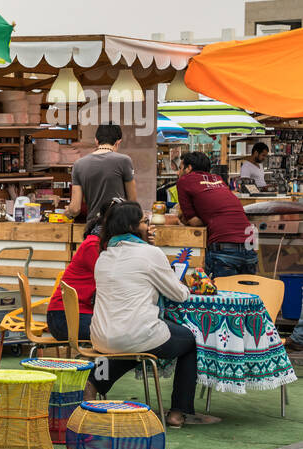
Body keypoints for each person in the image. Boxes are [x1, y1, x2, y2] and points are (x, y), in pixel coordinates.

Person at [89, 201, 212, 428]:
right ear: (133, 226)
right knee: (192, 342)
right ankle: (178, 411)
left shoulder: (104, 255)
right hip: (135, 334)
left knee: (131, 344)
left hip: (100, 336)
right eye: (145, 222)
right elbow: (179, 294)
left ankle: (94, 383)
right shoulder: (150, 253)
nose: (149, 226)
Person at [176, 151, 258, 279]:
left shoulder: (184, 181)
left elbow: (194, 222)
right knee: (245, 297)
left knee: (222, 297)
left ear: (189, 168)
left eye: (180, 168)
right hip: (250, 246)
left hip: (224, 249)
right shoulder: (218, 179)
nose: (178, 173)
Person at [66, 123, 136, 233]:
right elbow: (132, 202)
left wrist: (68, 212)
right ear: (118, 142)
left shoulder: (79, 164)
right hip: (118, 228)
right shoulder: (124, 161)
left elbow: (75, 209)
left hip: (93, 228)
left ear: (96, 140)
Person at [45, 230, 102, 344]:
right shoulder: (93, 245)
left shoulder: (96, 243)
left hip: (69, 315)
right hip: (65, 318)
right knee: (119, 334)